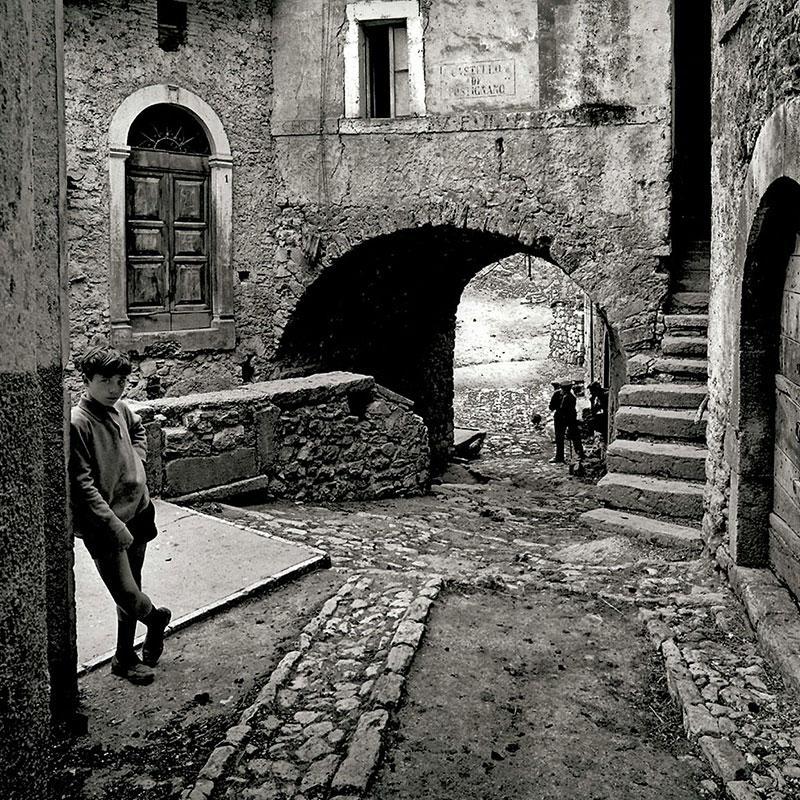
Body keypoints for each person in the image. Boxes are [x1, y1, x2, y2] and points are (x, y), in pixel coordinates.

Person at [70, 346, 171, 685]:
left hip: (138, 509)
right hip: (104, 523)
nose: (114, 389)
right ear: (87, 380)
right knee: (126, 593)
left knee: (134, 585)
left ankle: (124, 657)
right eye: (105, 381)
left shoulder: (121, 409)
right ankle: (155, 621)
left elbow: (139, 431)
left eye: (120, 381)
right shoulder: (79, 423)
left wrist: (137, 462)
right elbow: (82, 485)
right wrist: (113, 525)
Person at [548, 380, 585, 464]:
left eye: (567, 389)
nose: (565, 391)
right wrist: (557, 405)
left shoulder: (572, 398)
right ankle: (559, 456)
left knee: (575, 435)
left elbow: (570, 410)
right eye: (564, 389)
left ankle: (580, 453)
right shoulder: (556, 394)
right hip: (559, 418)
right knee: (559, 437)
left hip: (570, 418)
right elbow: (551, 407)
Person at [588, 381, 610, 456]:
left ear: (596, 390)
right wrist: (592, 402)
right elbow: (594, 411)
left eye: (592, 391)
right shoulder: (599, 396)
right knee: (590, 419)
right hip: (605, 415)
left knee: (593, 422)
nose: (591, 393)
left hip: (608, 417)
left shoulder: (605, 395)